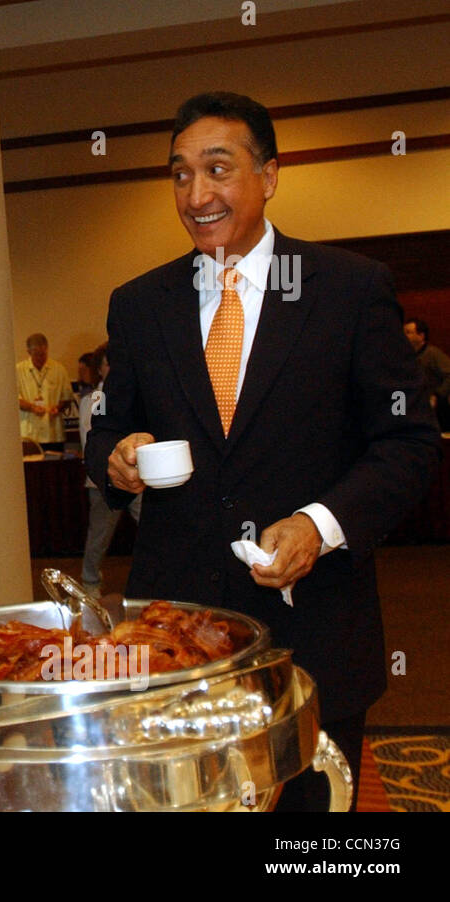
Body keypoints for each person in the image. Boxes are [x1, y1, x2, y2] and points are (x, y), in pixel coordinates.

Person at [84, 91, 441, 810]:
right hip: (175, 634)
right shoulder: (141, 304)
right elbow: (104, 434)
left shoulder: (347, 289)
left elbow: (406, 442)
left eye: (218, 169)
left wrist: (320, 525)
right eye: (180, 174)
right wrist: (116, 456)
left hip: (313, 626)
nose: (196, 193)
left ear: (270, 175)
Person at [79, 343, 139, 593]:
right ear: (100, 370)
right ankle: (89, 583)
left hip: (138, 479)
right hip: (102, 482)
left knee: (154, 526)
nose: (113, 368)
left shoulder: (132, 397)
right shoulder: (93, 399)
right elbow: (90, 441)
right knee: (100, 537)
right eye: (107, 363)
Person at [17, 333, 75, 452]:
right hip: (29, 435)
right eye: (36, 354)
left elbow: (67, 397)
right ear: (29, 351)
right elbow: (15, 399)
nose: (40, 358)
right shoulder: (18, 370)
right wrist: (32, 407)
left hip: (53, 432)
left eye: (43, 354)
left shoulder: (59, 369)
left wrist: (58, 408)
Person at [404, 318, 450, 431]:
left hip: (435, 409)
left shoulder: (432, 353)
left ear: (421, 336)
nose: (404, 336)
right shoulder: (405, 356)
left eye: (408, 332)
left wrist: (437, 395)